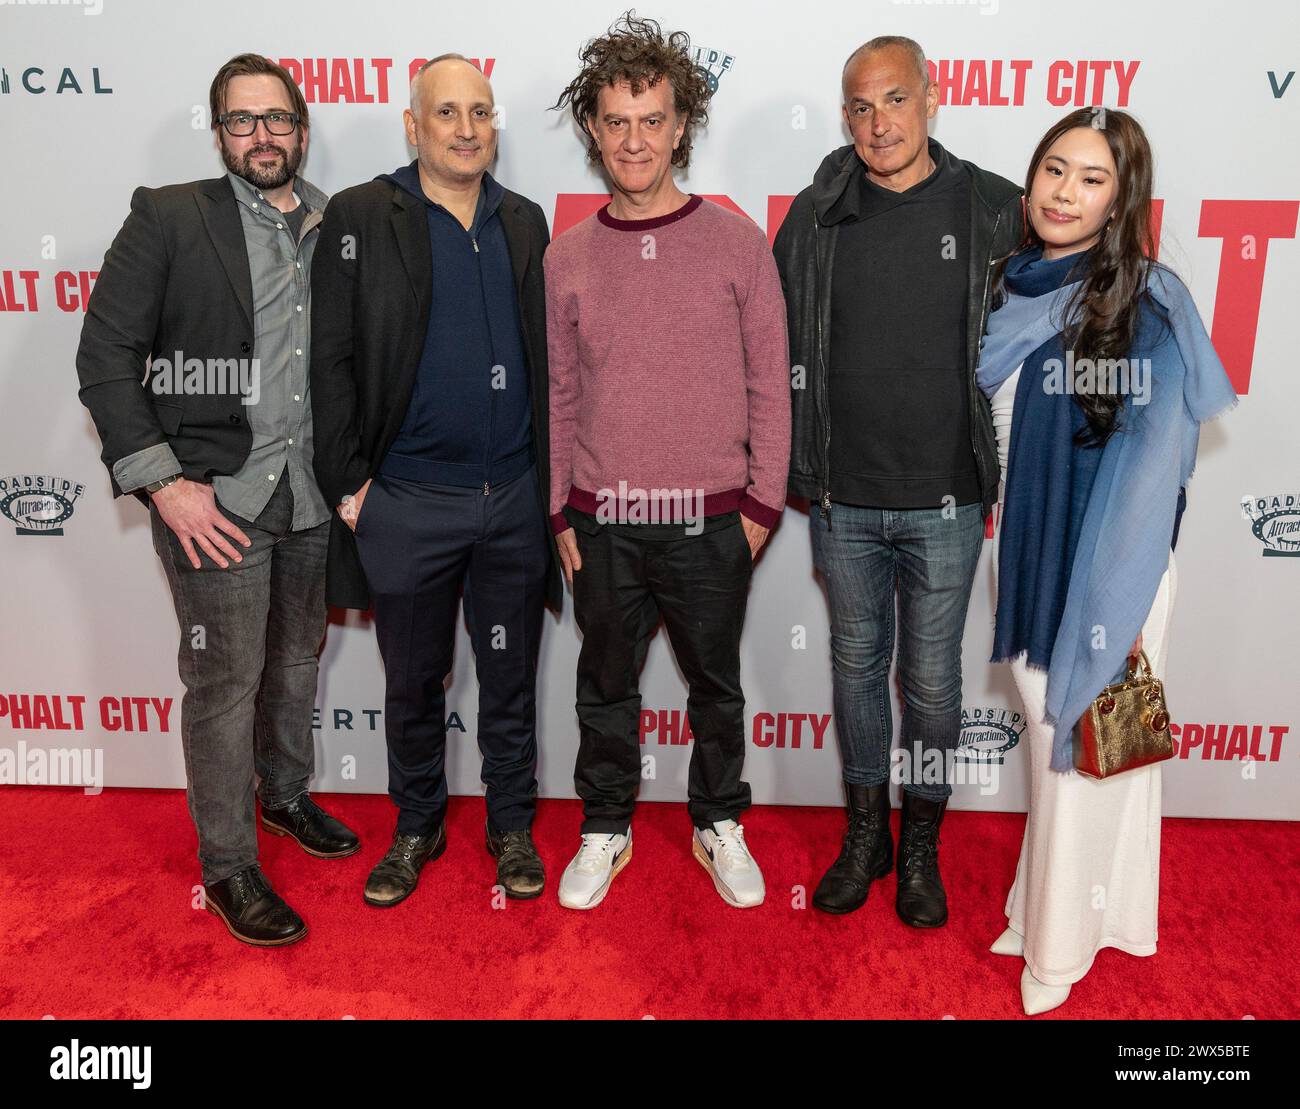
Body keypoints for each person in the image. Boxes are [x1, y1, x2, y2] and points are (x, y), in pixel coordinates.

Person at [75, 53, 358, 947]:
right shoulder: (169, 215)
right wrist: (164, 482)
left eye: (277, 119)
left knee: (298, 662)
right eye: (243, 121)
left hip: (311, 495)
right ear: (220, 131)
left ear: (302, 129)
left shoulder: (335, 222)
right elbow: (104, 359)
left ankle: (283, 798)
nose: (262, 136)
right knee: (225, 683)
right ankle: (230, 864)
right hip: (217, 501)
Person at [976, 108, 1236, 1014]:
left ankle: (1056, 948)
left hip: (1102, 567)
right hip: (1025, 549)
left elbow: (1152, 457)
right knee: (1067, 750)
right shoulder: (1010, 283)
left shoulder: (1147, 298)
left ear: (1122, 198)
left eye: (1092, 178)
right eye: (1055, 168)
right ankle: (1059, 906)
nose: (1064, 191)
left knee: (1078, 749)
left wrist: (1103, 592)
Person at [773, 36, 1023, 925]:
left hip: (950, 501)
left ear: (932, 98)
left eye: (895, 101)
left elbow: (1057, 323)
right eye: (861, 107)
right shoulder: (816, 213)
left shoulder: (995, 207)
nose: (879, 123)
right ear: (845, 116)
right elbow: (771, 349)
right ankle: (865, 833)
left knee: (933, 684)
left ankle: (922, 841)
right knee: (853, 668)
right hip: (842, 498)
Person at [548, 14, 790, 910]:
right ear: (593, 130)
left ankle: (717, 819)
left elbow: (773, 383)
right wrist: (556, 511)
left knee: (717, 686)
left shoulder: (734, 242)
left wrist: (760, 507)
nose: (635, 139)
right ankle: (605, 826)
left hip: (710, 520)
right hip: (601, 521)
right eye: (617, 121)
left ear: (680, 123)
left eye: (652, 119)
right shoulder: (565, 257)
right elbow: (558, 396)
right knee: (603, 686)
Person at [310, 55, 562, 907]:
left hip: (514, 501)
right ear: (413, 126)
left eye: (481, 112)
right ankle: (415, 824)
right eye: (446, 112)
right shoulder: (358, 216)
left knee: (510, 678)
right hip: (407, 503)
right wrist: (352, 488)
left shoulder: (525, 222)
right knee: (412, 680)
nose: (466, 128)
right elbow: (331, 360)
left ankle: (511, 825)